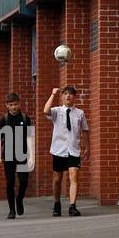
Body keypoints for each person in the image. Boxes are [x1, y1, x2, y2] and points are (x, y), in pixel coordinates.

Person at [44, 85, 89, 217]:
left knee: (73, 176)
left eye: (70, 94)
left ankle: (72, 206)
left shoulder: (79, 113)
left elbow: (85, 130)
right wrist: (53, 94)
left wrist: (87, 147)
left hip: (73, 149)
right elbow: (45, 110)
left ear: (74, 97)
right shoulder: (57, 111)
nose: (68, 96)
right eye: (65, 94)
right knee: (57, 179)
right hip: (58, 149)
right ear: (62, 97)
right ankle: (57, 203)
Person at [0, 92, 34, 219]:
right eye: (11, 105)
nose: (14, 107)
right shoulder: (4, 120)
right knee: (10, 182)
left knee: (23, 181)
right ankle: (12, 210)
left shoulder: (25, 118)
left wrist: (32, 156)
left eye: (15, 104)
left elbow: (29, 138)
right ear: (7, 105)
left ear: (19, 104)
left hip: (22, 154)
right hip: (9, 155)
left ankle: (19, 199)